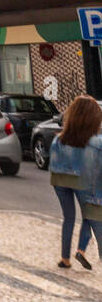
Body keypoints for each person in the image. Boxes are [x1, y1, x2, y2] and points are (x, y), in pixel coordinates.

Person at [49, 95, 102, 269]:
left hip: (59, 181)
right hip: (83, 182)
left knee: (69, 217)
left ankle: (65, 259)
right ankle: (81, 250)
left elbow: (53, 163)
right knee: (91, 216)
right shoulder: (95, 143)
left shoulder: (58, 139)